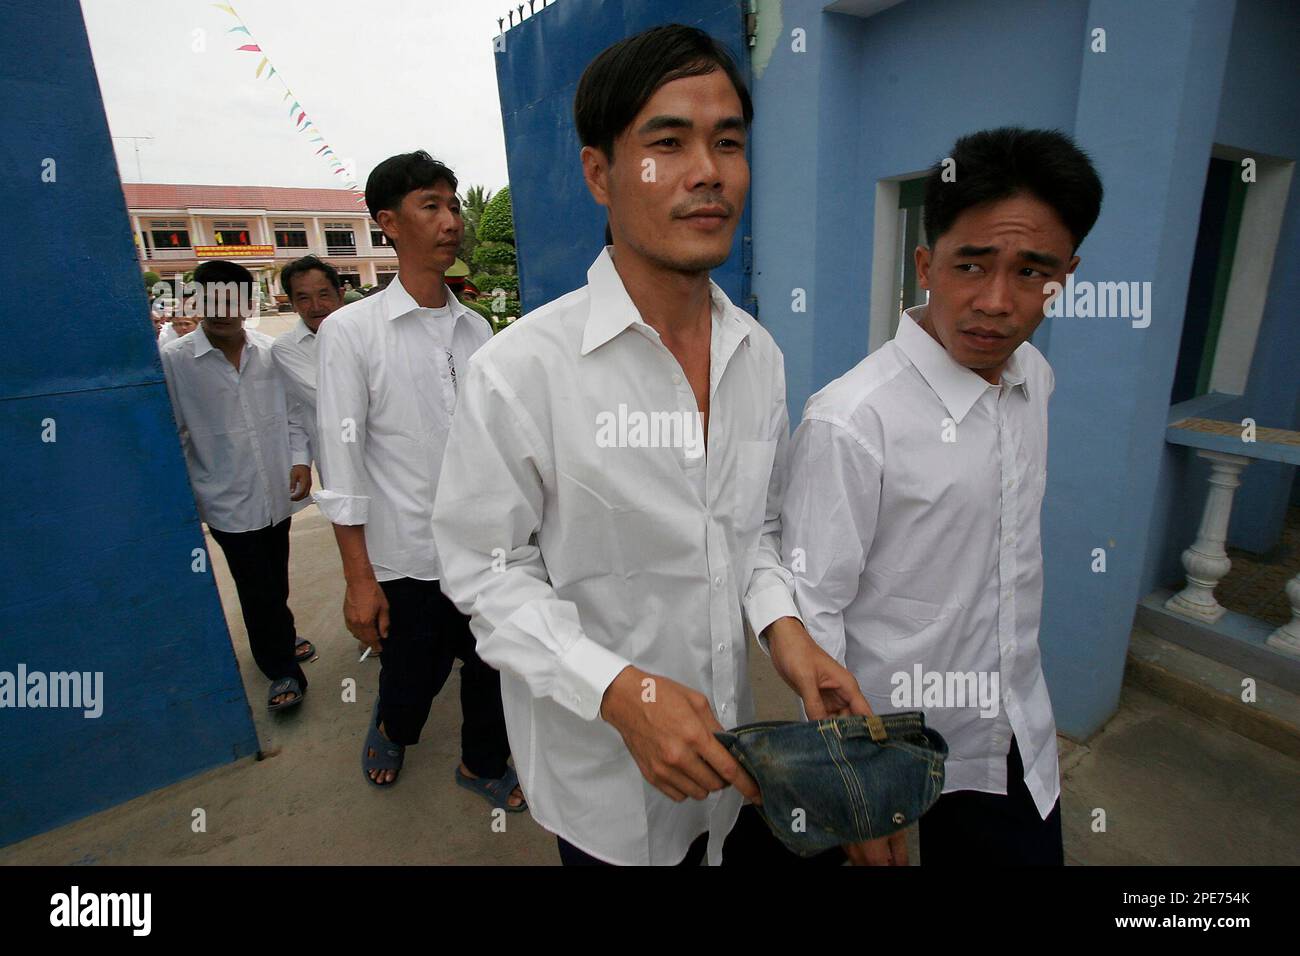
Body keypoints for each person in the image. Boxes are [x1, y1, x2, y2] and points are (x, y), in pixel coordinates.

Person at [431, 24, 868, 866]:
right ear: (600, 173)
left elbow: (754, 533)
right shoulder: (519, 373)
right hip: (603, 792)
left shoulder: (759, 356)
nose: (708, 171)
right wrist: (621, 692)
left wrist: (787, 636)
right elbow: (485, 572)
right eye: (667, 143)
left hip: (733, 771)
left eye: (728, 142)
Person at [781, 127, 1104, 866]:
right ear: (926, 264)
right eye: (972, 264)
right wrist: (854, 790)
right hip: (889, 748)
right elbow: (811, 613)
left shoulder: (1034, 383)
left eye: (1032, 271)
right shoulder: (852, 420)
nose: (996, 301)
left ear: (1066, 276)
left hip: (1013, 733)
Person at [314, 151, 521, 808]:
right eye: (430, 205)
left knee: (493, 667)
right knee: (413, 675)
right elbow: (341, 466)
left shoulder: (475, 328)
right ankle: (393, 727)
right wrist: (358, 580)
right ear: (388, 222)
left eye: (453, 205)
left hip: (485, 550)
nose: (451, 220)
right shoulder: (352, 333)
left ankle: (482, 762)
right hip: (406, 558)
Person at [160, 259, 317, 710]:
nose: (223, 309)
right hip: (225, 497)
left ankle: (282, 635)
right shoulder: (176, 362)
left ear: (249, 303)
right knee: (255, 586)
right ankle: (282, 670)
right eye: (213, 299)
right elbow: (173, 431)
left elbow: (292, 416)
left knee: (275, 579)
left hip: (276, 492)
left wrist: (300, 461)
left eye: (233, 299)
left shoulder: (270, 353)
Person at [271, 255, 344, 468]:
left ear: (340, 295)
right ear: (292, 304)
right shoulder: (286, 348)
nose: (316, 306)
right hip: (337, 460)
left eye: (324, 294)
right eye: (303, 298)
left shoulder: (367, 332)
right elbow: (330, 399)